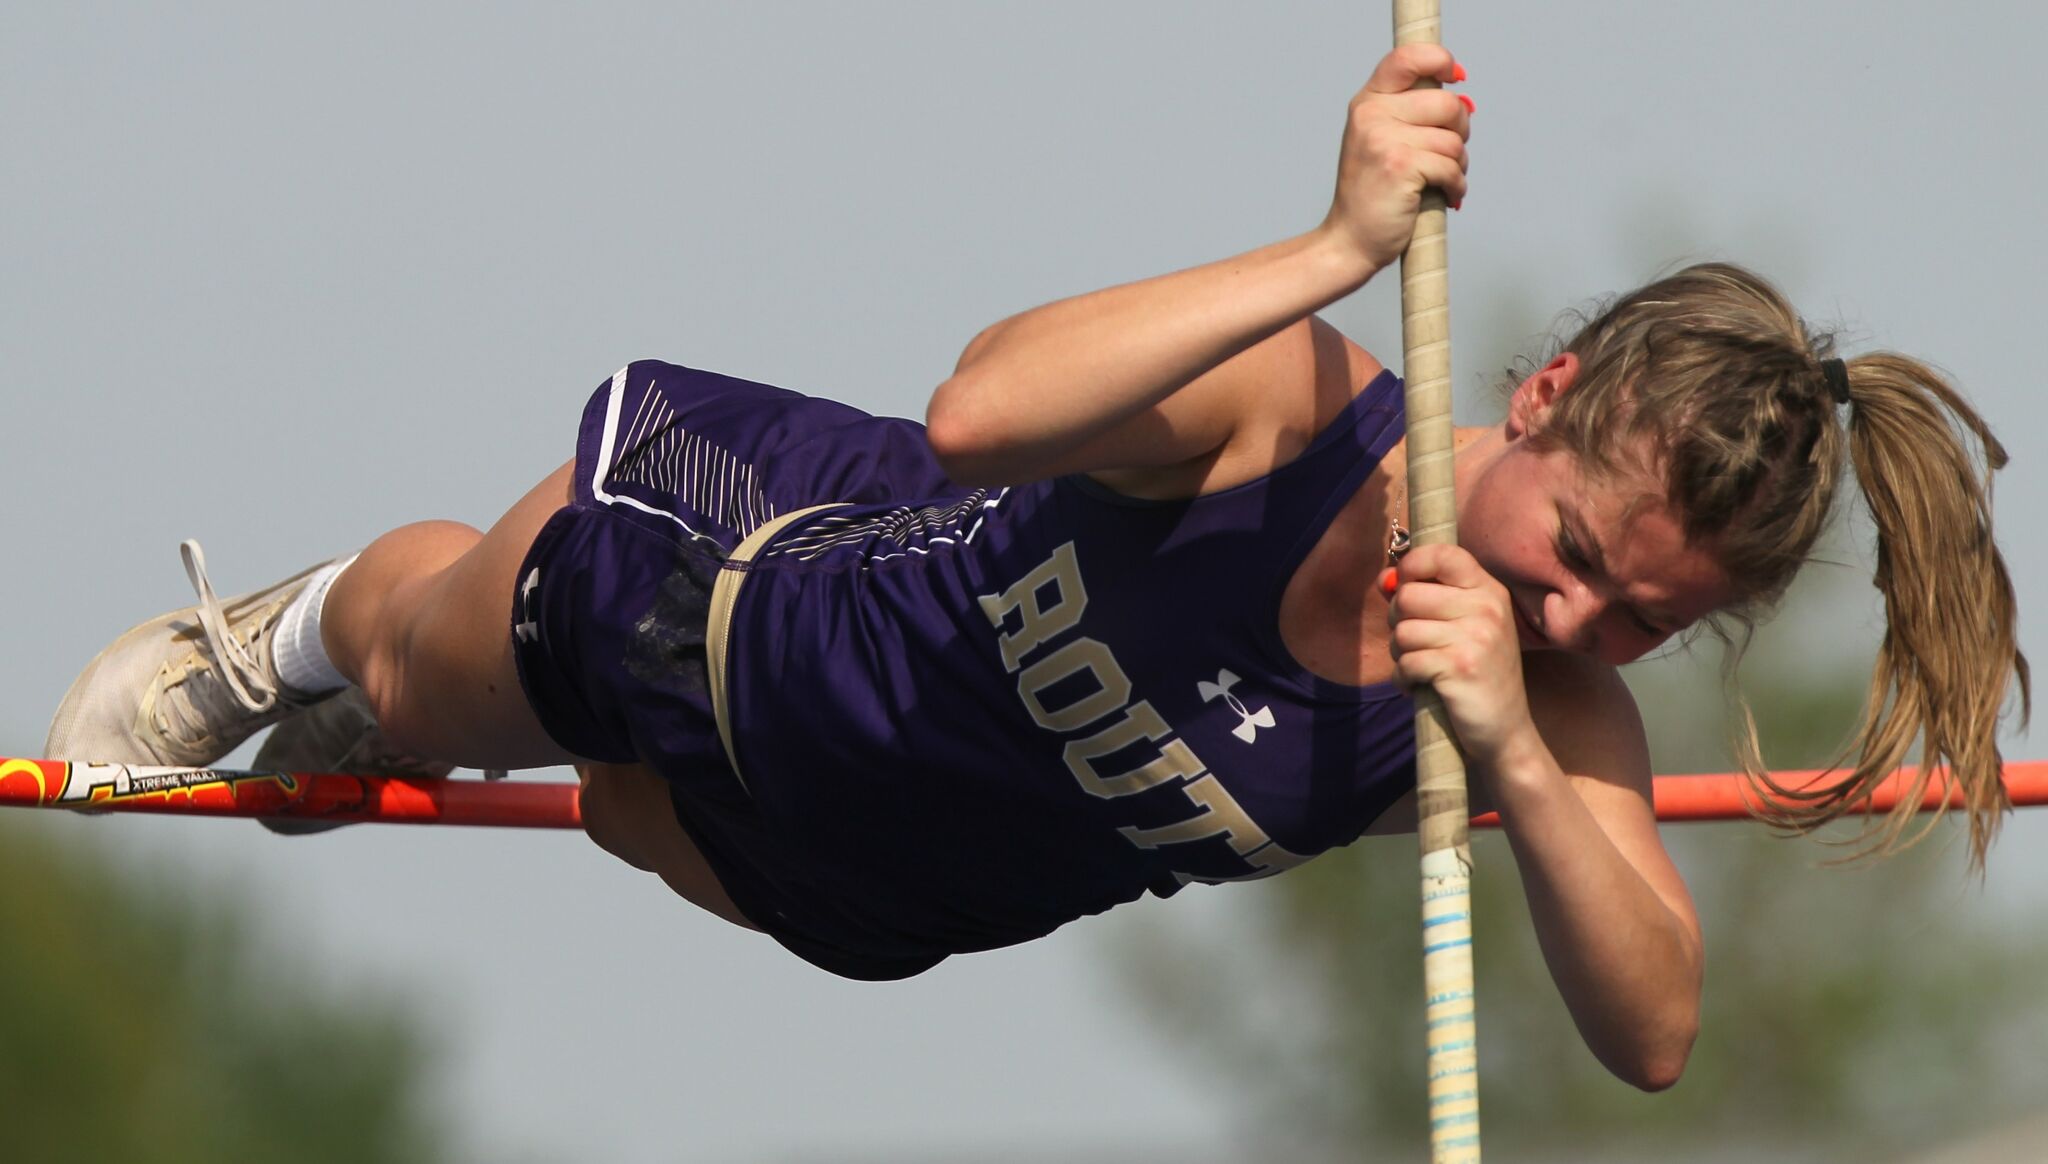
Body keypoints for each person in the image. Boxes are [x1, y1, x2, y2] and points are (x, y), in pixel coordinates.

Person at [42, 45, 2026, 1093]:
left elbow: (1657, 1028)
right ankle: (290, 636)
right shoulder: (1299, 404)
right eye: (1578, 556)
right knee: (421, 678)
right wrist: (1332, 245)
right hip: (756, 609)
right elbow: (985, 408)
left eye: (1645, 622)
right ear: (1547, 393)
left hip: (865, 887)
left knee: (638, 830)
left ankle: (393, 701)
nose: (1580, 619)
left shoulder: (1530, 710)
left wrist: (1512, 742)